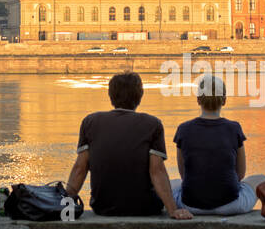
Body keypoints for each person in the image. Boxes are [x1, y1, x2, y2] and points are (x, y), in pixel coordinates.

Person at [66, 71, 192, 219]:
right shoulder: (153, 124)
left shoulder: (90, 122)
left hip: (103, 207)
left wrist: (63, 206)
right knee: (178, 184)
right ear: (140, 96)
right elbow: (156, 171)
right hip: (145, 207)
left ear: (110, 95)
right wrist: (172, 210)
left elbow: (80, 168)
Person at [170, 73, 265, 215]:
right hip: (231, 205)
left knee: (172, 183)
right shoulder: (234, 128)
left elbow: (184, 174)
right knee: (261, 179)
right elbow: (240, 174)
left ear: (198, 100)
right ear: (224, 101)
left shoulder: (183, 129)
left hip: (191, 205)